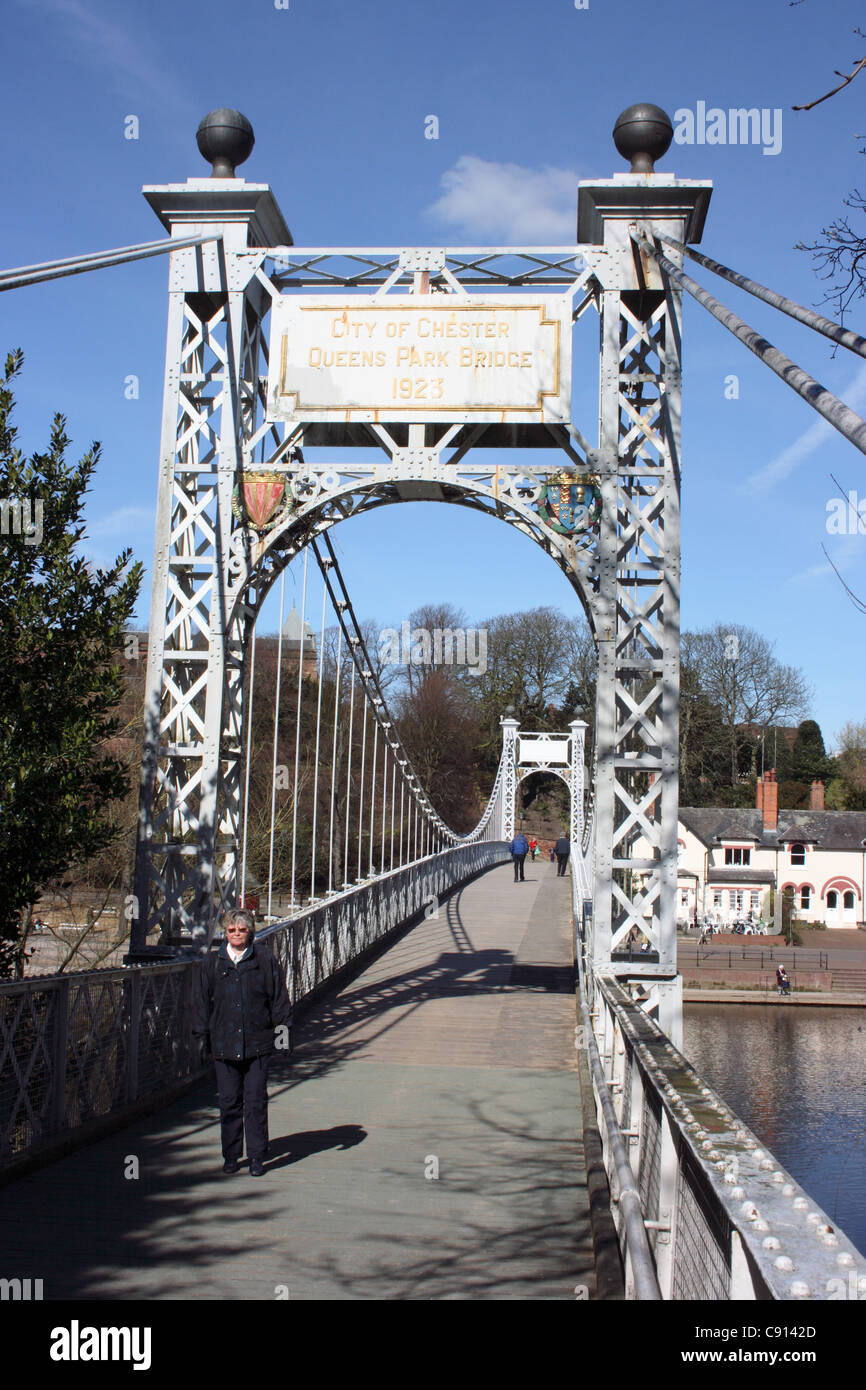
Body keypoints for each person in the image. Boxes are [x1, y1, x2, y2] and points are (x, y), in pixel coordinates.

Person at [193, 907, 292, 1176]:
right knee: (228, 1102)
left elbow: (278, 999)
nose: (236, 934)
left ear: (250, 932)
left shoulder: (265, 960)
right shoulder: (212, 963)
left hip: (258, 1043)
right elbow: (202, 1003)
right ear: (225, 933)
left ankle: (258, 1156)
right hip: (224, 1044)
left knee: (256, 1101)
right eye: (231, 930)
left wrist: (283, 1034)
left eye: (242, 930)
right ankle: (231, 1155)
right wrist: (201, 1037)